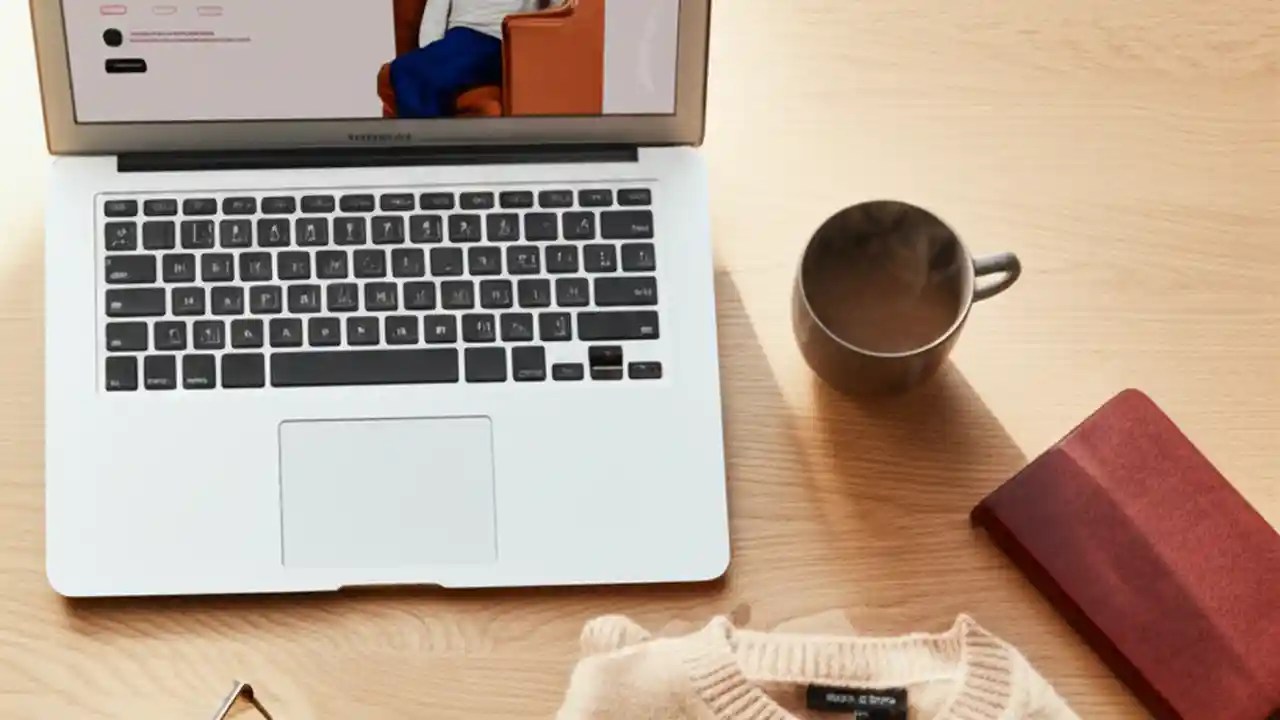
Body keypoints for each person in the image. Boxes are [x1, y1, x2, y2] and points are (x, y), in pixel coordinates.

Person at [390, 0, 552, 118]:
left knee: (411, 71)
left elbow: (556, 9)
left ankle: (426, 150)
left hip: (498, 38)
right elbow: (435, 15)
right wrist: (431, 54)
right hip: (456, 39)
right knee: (404, 68)